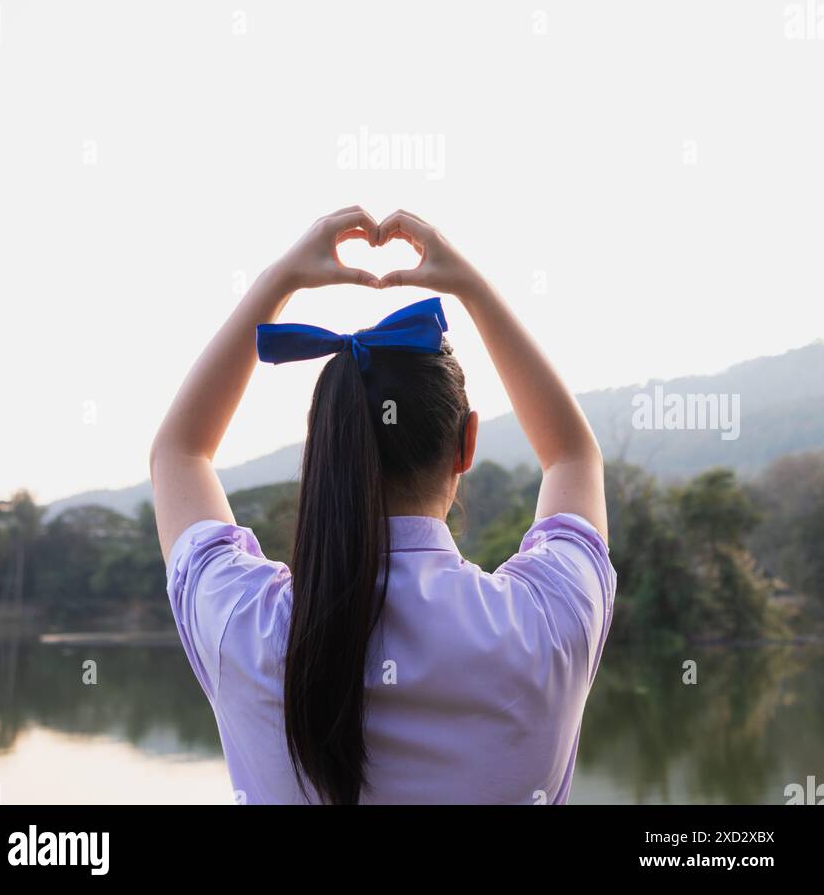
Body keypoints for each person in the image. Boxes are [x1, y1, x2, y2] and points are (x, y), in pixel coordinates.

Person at [150, 207, 616, 806]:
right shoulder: (548, 620)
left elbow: (180, 454)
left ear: (322, 448)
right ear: (466, 444)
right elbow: (573, 457)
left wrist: (280, 279)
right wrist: (471, 287)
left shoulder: (245, 625)